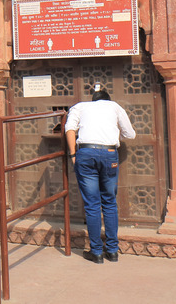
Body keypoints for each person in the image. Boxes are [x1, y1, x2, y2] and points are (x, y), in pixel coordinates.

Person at [65, 89, 136, 264]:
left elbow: (70, 129)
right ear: (107, 100)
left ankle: (96, 252)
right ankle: (112, 251)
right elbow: (130, 134)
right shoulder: (115, 107)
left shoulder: (80, 107)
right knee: (110, 202)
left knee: (92, 204)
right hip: (109, 153)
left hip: (86, 153)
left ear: (93, 100)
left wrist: (73, 155)